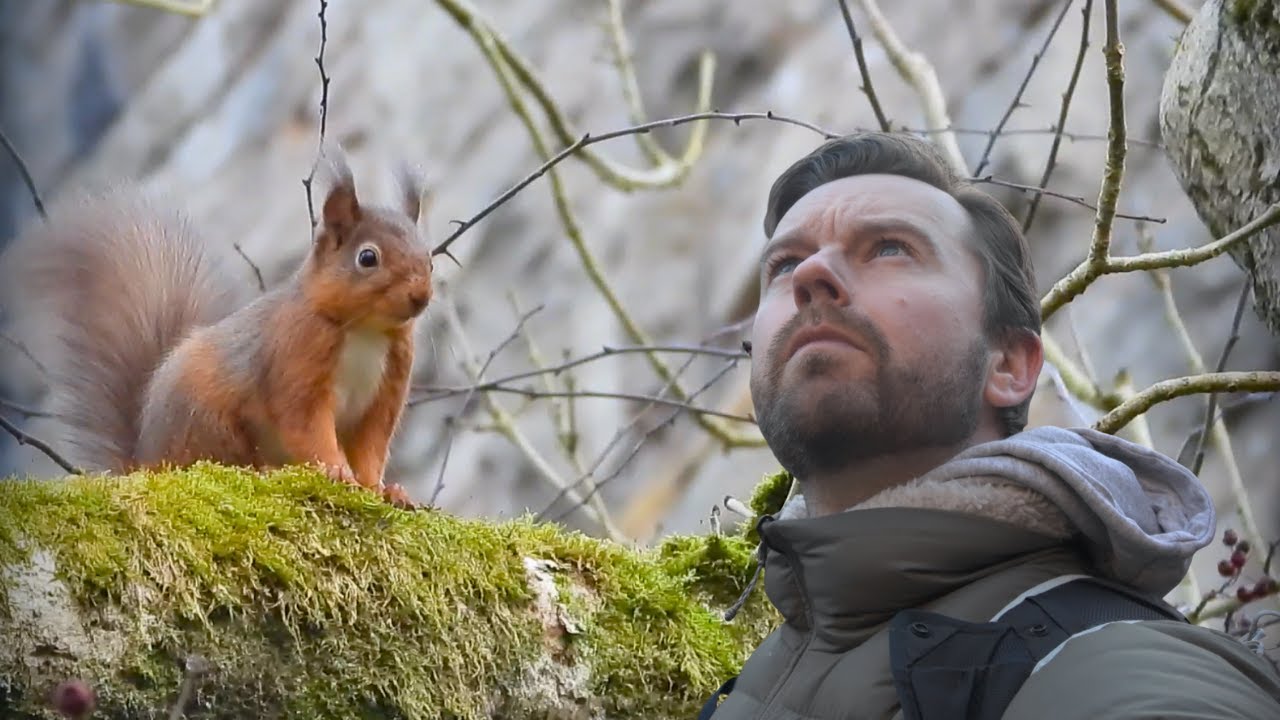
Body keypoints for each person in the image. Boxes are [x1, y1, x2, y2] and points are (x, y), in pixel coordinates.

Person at [705, 132, 1280, 719]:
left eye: (888, 249)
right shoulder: (759, 672)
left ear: (1007, 365)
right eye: (785, 264)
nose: (811, 275)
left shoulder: (1112, 665)